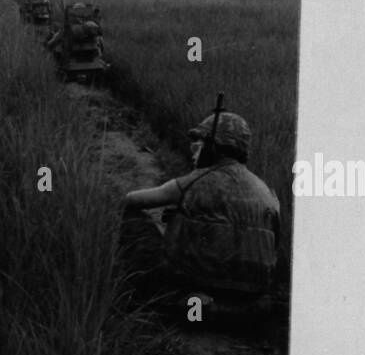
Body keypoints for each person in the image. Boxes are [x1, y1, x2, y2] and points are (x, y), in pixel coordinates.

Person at [120, 110, 280, 303]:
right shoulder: (266, 191)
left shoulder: (194, 181)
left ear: (213, 148)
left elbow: (131, 200)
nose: (194, 151)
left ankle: (134, 299)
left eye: (199, 145)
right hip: (252, 292)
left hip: (196, 288)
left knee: (132, 216)